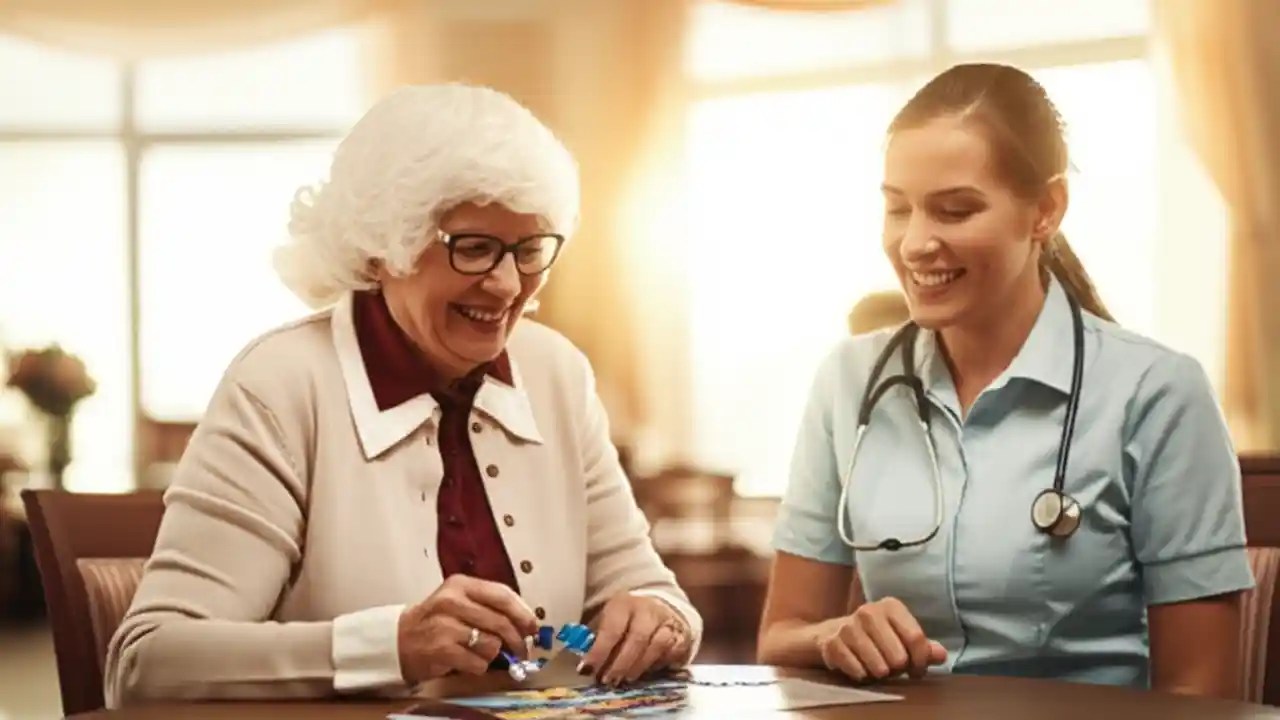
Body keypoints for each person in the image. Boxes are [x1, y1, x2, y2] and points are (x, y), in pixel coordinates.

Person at [105, 84, 701, 706]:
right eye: (472, 248)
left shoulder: (557, 372)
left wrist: (660, 617)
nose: (505, 284)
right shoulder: (278, 386)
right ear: (384, 244)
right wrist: (388, 645)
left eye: (529, 250)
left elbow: (648, 588)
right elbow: (148, 663)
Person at [758, 63, 1252, 698]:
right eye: (897, 208)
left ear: (1046, 210)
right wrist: (832, 636)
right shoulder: (847, 380)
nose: (914, 243)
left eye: (955, 210)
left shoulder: (1157, 393)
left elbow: (1200, 694)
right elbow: (780, 636)